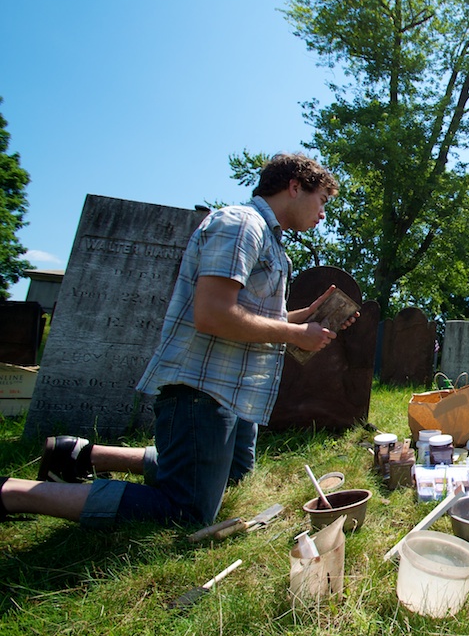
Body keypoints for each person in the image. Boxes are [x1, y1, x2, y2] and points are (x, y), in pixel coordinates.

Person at [0, 152, 356, 528]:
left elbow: (248, 317)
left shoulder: (270, 241)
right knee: (187, 509)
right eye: (322, 201)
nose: (323, 213)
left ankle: (78, 454)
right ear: (295, 187)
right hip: (202, 389)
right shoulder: (240, 224)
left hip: (236, 390)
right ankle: (13, 492)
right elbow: (212, 314)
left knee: (235, 474)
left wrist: (303, 318)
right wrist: (296, 333)